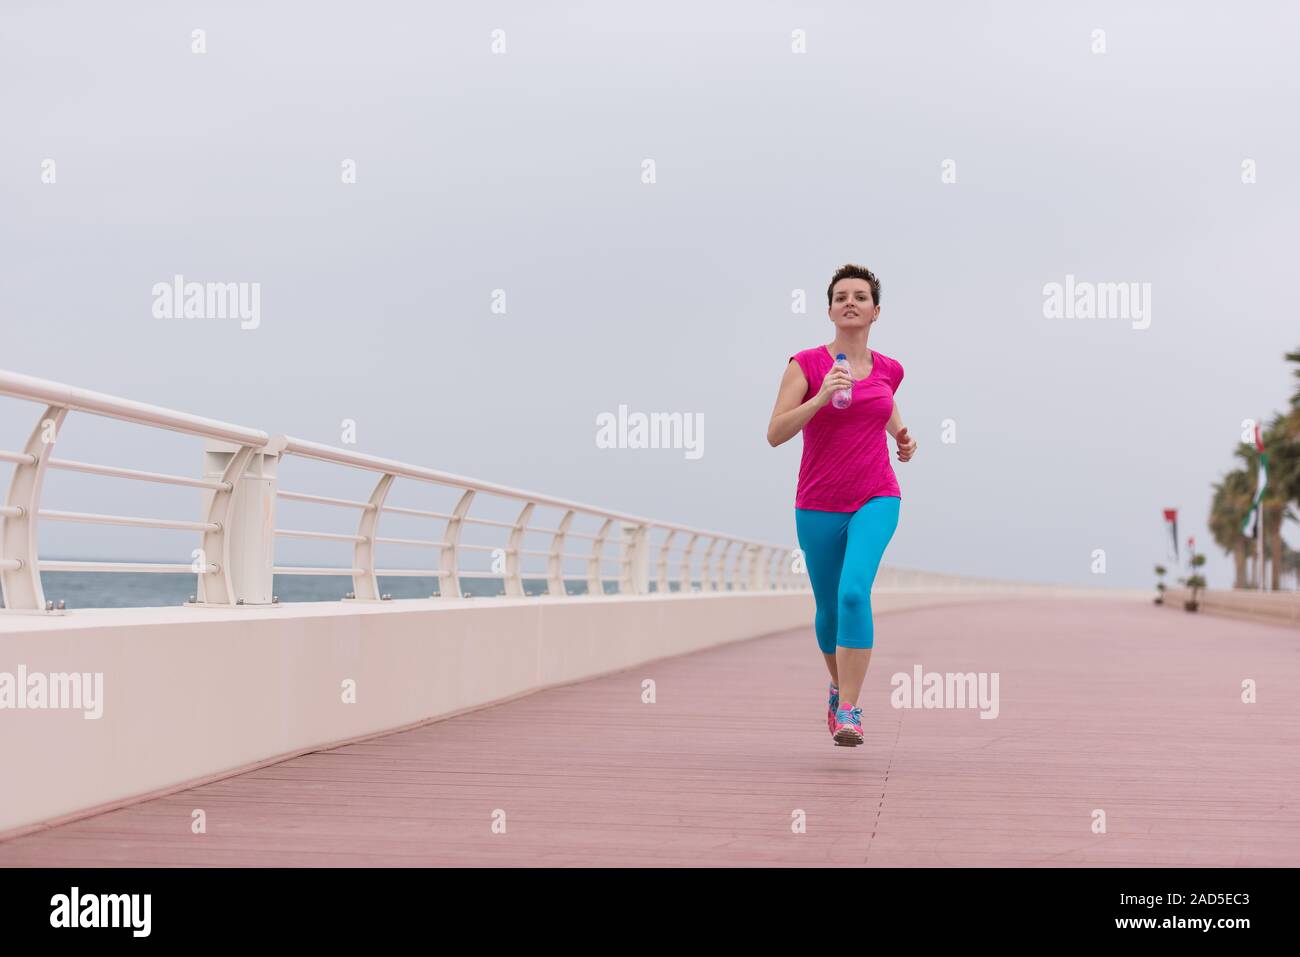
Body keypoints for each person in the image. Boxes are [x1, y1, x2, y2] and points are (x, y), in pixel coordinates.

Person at [766, 264, 916, 747]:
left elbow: (883, 401)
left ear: (876, 310)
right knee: (829, 608)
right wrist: (820, 399)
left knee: (854, 593)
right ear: (830, 309)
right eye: (840, 296)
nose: (850, 302)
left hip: (876, 495)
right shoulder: (806, 365)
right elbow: (775, 434)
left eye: (860, 296)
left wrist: (901, 437)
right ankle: (837, 687)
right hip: (817, 503)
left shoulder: (891, 368)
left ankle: (850, 708)